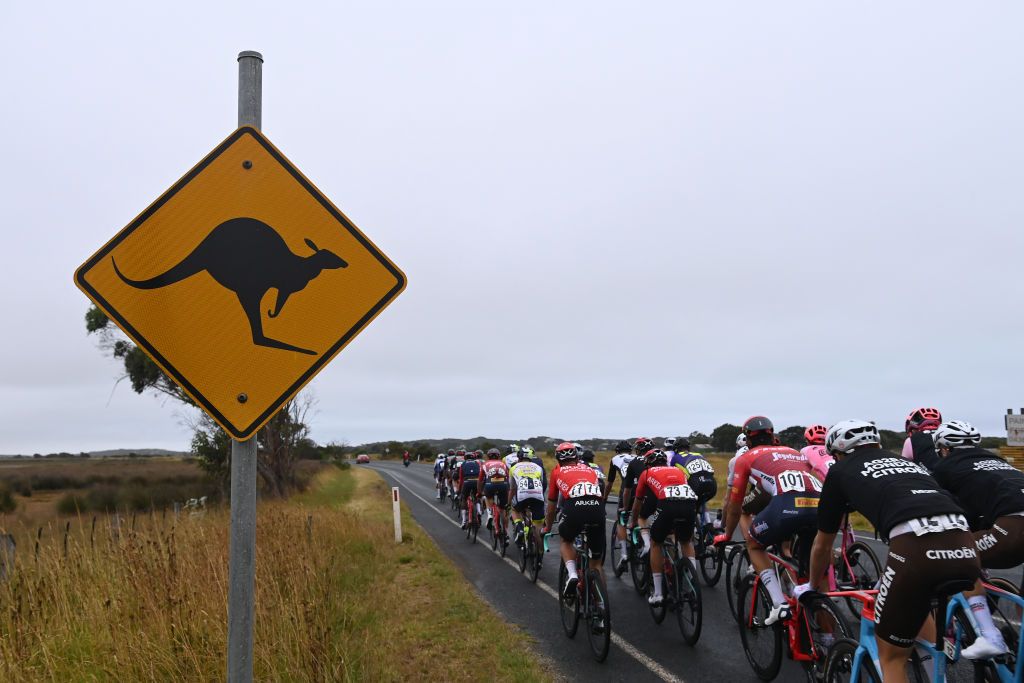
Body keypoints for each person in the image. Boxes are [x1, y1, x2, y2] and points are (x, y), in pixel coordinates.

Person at [802, 419, 980, 683]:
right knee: (919, 615)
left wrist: (814, 586)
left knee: (893, 656)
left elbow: (823, 543)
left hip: (915, 549)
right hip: (965, 544)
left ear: (837, 452)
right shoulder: (907, 463)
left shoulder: (840, 471)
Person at [930, 420, 1024, 657]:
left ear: (944, 448)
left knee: (959, 557)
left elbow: (941, 511)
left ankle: (990, 636)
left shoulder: (944, 467)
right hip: (1011, 518)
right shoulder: (998, 461)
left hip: (1014, 525)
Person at [715, 416, 821, 625]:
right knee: (816, 579)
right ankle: (828, 642)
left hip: (787, 507)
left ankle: (779, 604)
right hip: (820, 506)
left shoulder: (745, 458)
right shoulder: (792, 451)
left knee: (755, 545)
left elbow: (736, 505)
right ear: (772, 436)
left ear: (748, 439)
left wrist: (727, 534)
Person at [629, 448, 699, 605]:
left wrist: (633, 522)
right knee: (686, 541)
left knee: (656, 542)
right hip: (689, 503)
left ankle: (659, 593)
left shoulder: (646, 473)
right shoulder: (677, 470)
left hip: (667, 503)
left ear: (647, 463)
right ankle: (693, 578)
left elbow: (638, 503)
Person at [544, 442, 606, 597]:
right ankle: (601, 603)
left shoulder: (557, 472)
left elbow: (551, 506)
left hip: (574, 508)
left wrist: (547, 527)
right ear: (577, 457)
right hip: (597, 508)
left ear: (558, 459)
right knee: (596, 563)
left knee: (566, 540)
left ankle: (572, 574)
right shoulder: (590, 469)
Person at [669, 437, 717, 525]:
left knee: (688, 506)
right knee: (701, 500)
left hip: (696, 485)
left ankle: (691, 529)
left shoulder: (675, 458)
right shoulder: (699, 454)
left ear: (676, 449)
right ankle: (709, 525)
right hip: (712, 484)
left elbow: (674, 477)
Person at [509, 450, 546, 563]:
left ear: (519, 458)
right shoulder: (538, 467)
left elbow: (512, 488)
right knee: (538, 526)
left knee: (514, 509)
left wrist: (508, 502)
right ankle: (539, 556)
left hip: (522, 495)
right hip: (538, 495)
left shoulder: (514, 467)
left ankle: (520, 528)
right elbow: (542, 484)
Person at [607, 440, 636, 571]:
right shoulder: (636, 457)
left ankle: (624, 554)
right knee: (641, 515)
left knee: (621, 521)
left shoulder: (614, 459)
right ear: (630, 451)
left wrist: (604, 497)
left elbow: (609, 483)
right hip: (642, 488)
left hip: (627, 489)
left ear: (617, 451)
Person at [479, 448, 510, 537]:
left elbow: (480, 480)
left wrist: (479, 492)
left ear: (488, 456)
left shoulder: (485, 464)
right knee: (503, 509)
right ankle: (506, 532)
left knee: (488, 498)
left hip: (490, 485)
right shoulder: (503, 464)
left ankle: (489, 514)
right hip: (503, 485)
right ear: (499, 456)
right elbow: (508, 478)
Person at [457, 450, 482, 529]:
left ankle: (464, 521)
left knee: (464, 499)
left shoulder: (463, 464)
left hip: (467, 482)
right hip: (477, 481)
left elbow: (461, 479)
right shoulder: (477, 463)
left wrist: (459, 489)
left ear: (465, 458)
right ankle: (479, 511)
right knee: (477, 497)